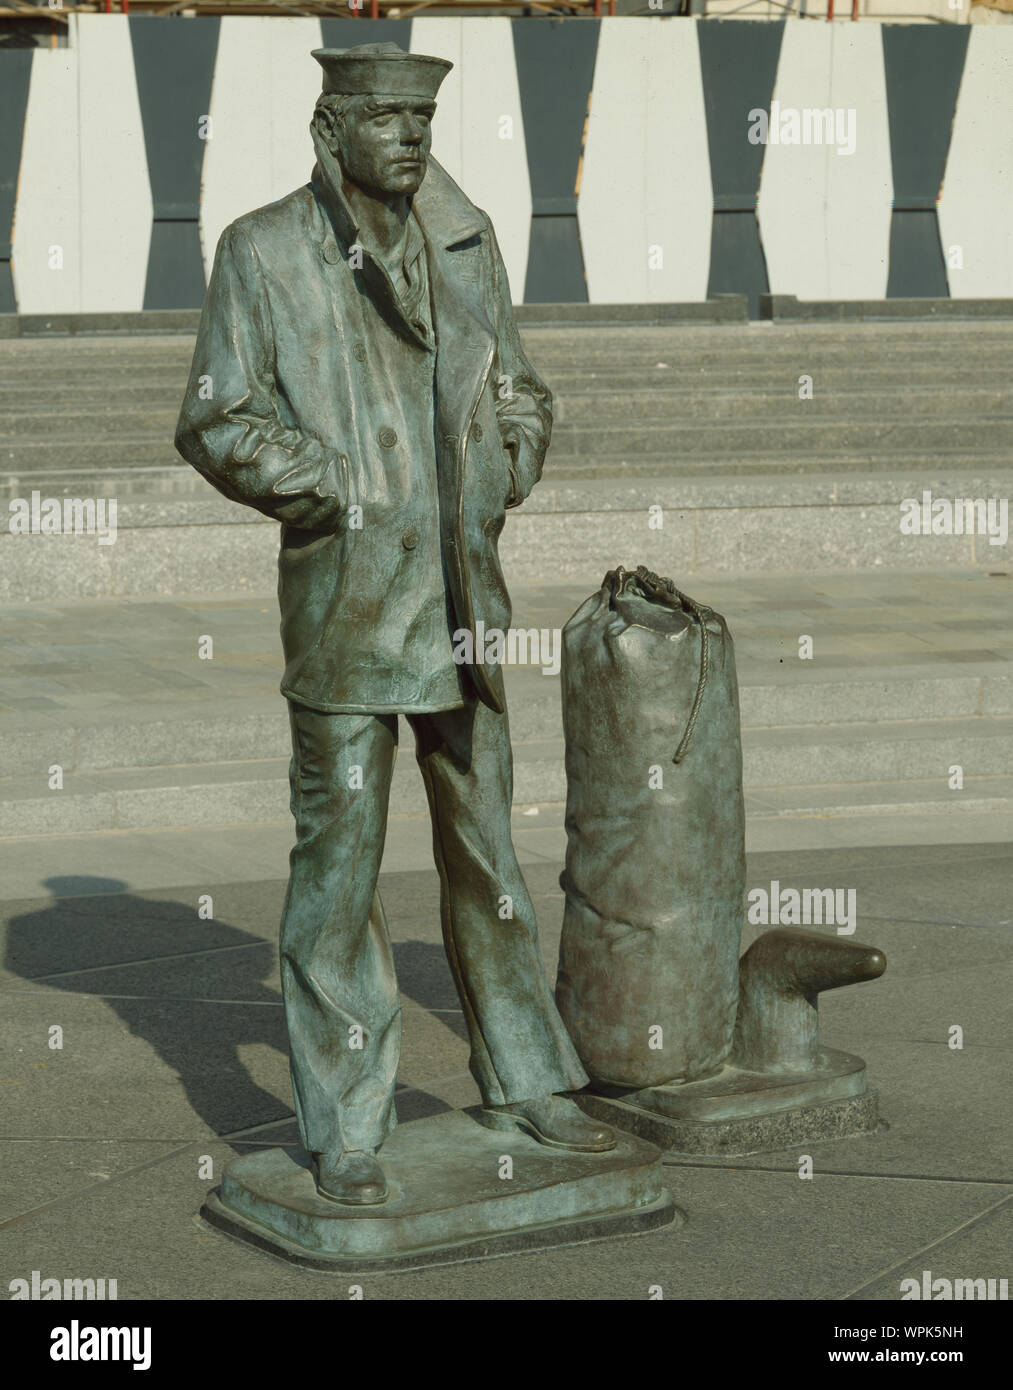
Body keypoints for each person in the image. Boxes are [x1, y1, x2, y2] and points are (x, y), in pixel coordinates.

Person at [175, 41, 614, 1206]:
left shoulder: (465, 242)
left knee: (488, 858)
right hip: (352, 611)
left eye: (420, 116)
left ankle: (527, 1077)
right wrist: (328, 483)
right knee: (339, 874)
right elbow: (215, 418)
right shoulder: (263, 252)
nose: (410, 136)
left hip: (464, 604)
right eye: (383, 116)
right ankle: (347, 1120)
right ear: (330, 126)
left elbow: (520, 380)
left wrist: (511, 451)